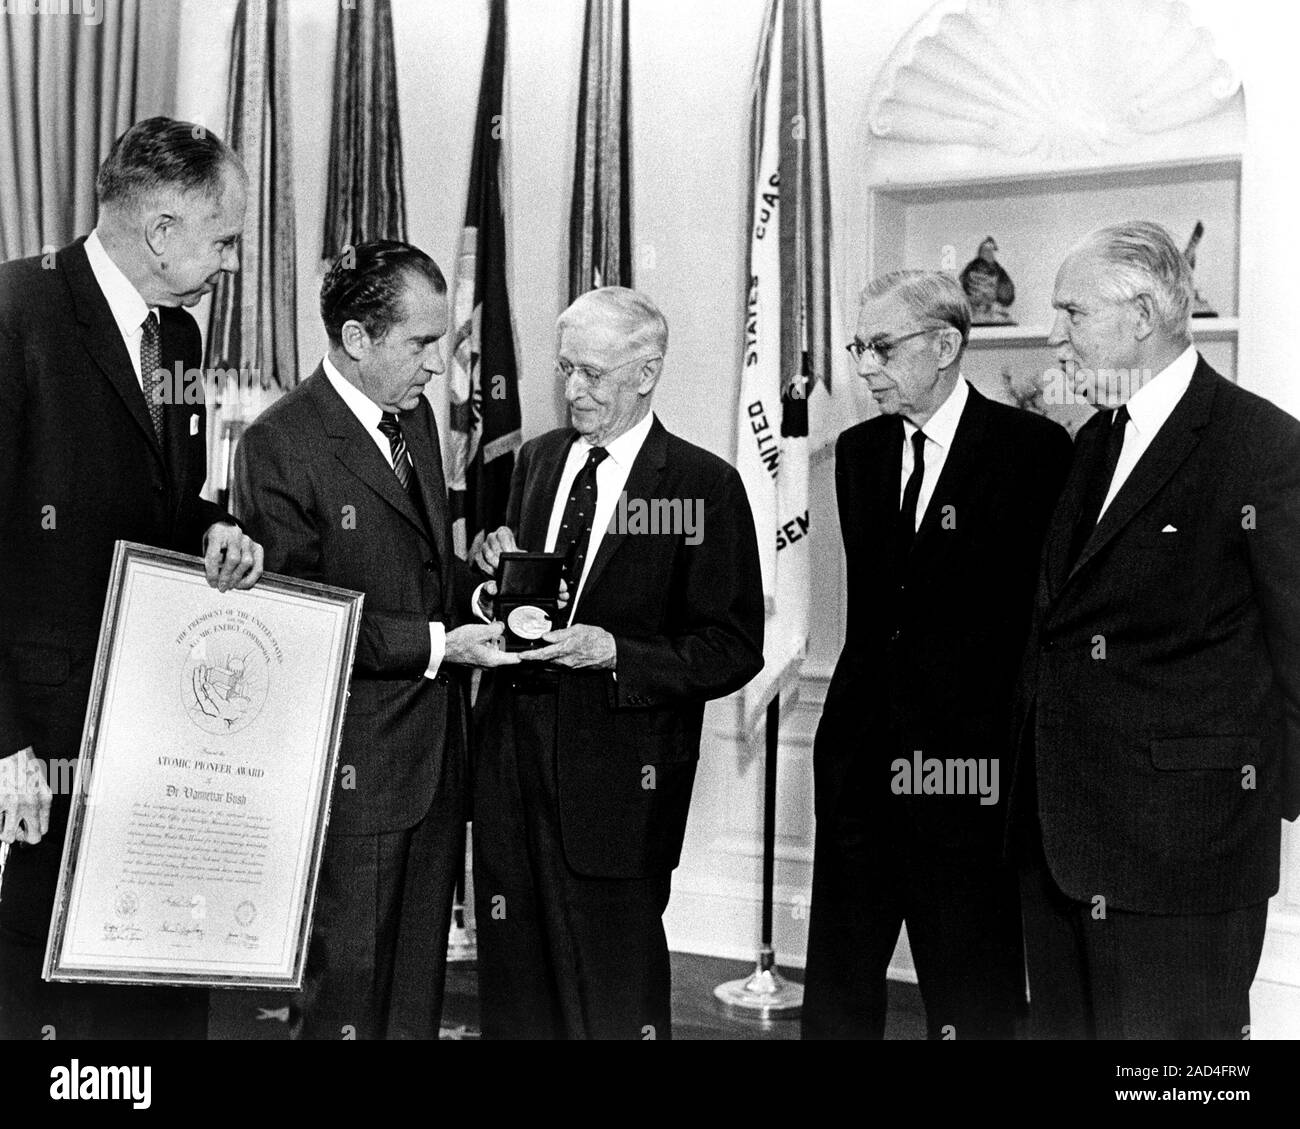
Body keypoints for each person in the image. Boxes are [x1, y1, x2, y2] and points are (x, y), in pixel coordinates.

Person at [0, 116, 263, 1040]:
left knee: (155, 983)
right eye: (224, 238)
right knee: (50, 1008)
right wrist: (3, 746)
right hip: (41, 741)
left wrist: (220, 528)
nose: (231, 260)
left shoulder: (182, 344)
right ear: (161, 231)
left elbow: (174, 497)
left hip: (153, 723)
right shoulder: (14, 315)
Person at [1010, 220, 1300, 1039]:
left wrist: (1251, 808)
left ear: (1141, 316)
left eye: (1073, 312)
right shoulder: (1096, 440)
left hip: (1186, 856)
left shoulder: (1263, 446)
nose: (1055, 335)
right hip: (1064, 845)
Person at [232, 240, 516, 1039]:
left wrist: (480, 584)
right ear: (357, 339)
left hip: (435, 763)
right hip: (350, 773)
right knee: (346, 992)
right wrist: (438, 645)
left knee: (413, 996)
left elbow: (421, 571)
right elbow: (291, 617)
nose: (438, 365)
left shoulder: (415, 419)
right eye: (421, 344)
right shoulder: (278, 443)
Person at [470, 286, 764, 1039]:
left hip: (618, 783)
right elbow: (524, 598)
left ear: (646, 372)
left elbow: (731, 646)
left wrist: (615, 653)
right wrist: (490, 585)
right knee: (515, 985)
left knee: (611, 992)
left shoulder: (702, 485)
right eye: (565, 368)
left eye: (593, 373)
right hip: (510, 762)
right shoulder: (536, 461)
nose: (573, 389)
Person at [802, 270, 1073, 1040]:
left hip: (969, 784)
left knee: (971, 996)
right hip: (859, 771)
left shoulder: (1034, 451)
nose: (864, 367)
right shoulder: (857, 453)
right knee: (837, 996)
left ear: (946, 344)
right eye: (860, 347)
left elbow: (1039, 625)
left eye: (880, 347)